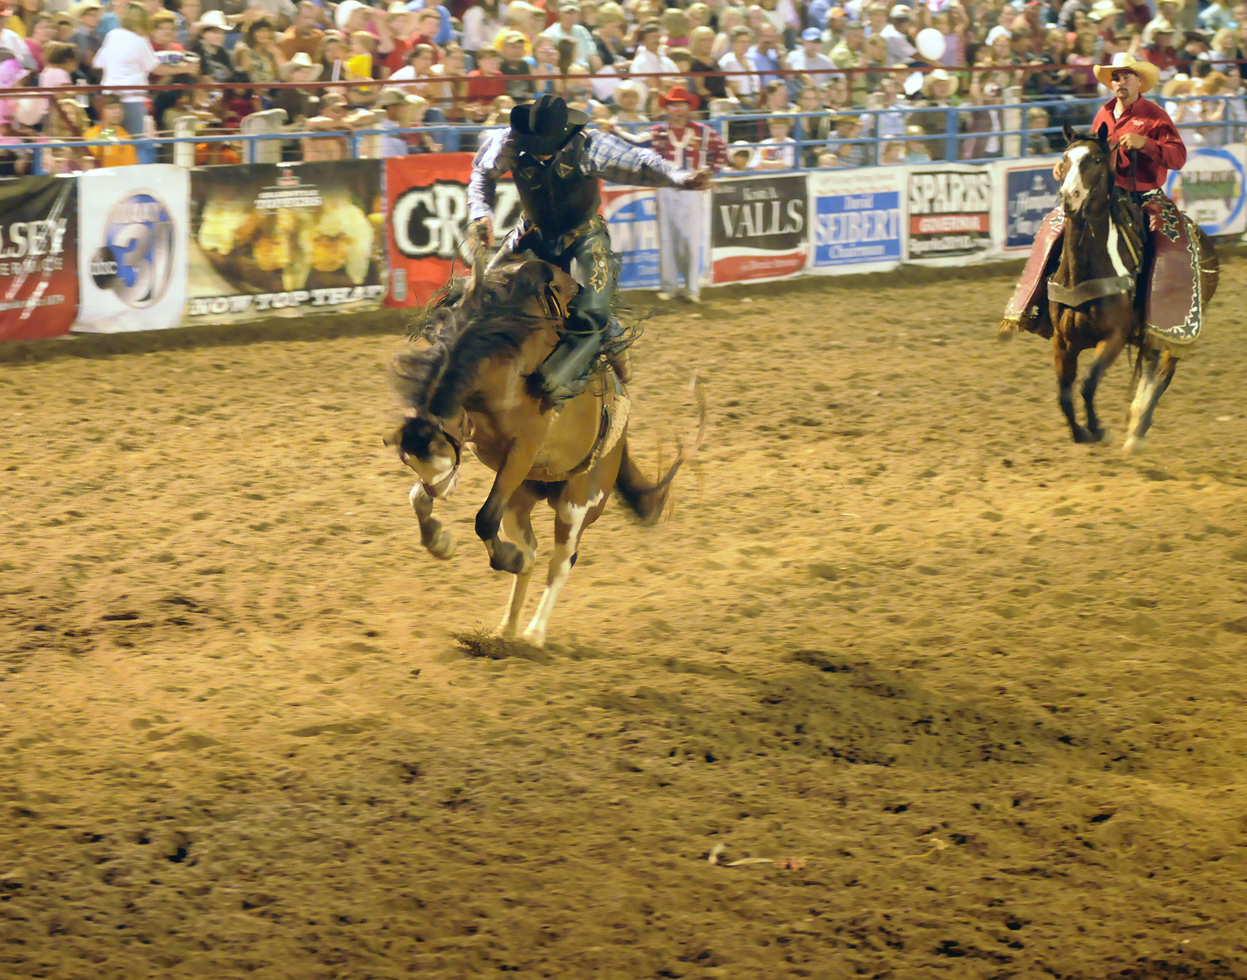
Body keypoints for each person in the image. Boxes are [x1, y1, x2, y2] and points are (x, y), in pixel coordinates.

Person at [467, 94, 711, 402]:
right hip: (532, 233)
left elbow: (640, 161)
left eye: (547, 146)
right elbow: (482, 173)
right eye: (535, 145)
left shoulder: (590, 145)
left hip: (584, 236)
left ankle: (585, 354)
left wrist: (680, 176)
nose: (541, 152)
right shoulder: (509, 141)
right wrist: (481, 212)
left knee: (589, 314)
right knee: (481, 294)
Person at [1003, 53, 1192, 339]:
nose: (1120, 82)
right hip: (1104, 195)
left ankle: (1161, 318)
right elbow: (1091, 150)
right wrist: (1069, 166)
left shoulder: (1155, 116)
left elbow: (1177, 157)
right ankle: (1033, 306)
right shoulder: (1104, 112)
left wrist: (1146, 143)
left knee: (1166, 244)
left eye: (1126, 76)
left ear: (1138, 81)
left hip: (1143, 197)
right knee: (1055, 228)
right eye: (1116, 78)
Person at [636, 86, 724, 303]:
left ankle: (692, 289)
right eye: (673, 105)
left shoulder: (703, 131)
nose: (677, 110)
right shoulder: (657, 131)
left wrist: (709, 173)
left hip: (691, 190)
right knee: (666, 238)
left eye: (681, 105)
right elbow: (635, 143)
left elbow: (721, 151)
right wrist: (613, 130)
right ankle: (670, 287)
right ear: (667, 108)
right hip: (665, 188)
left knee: (691, 240)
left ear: (688, 107)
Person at [93, 3, 191, 164]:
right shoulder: (139, 40)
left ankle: (104, 167)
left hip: (109, 98)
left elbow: (97, 62)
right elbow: (156, 68)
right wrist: (185, 68)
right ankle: (133, 173)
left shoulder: (112, 35)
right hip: (131, 100)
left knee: (108, 138)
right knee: (135, 141)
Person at [84, 94, 140, 166]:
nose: (117, 111)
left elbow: (132, 162)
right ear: (100, 111)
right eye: (111, 108)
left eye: (119, 107)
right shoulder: (92, 134)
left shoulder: (124, 133)